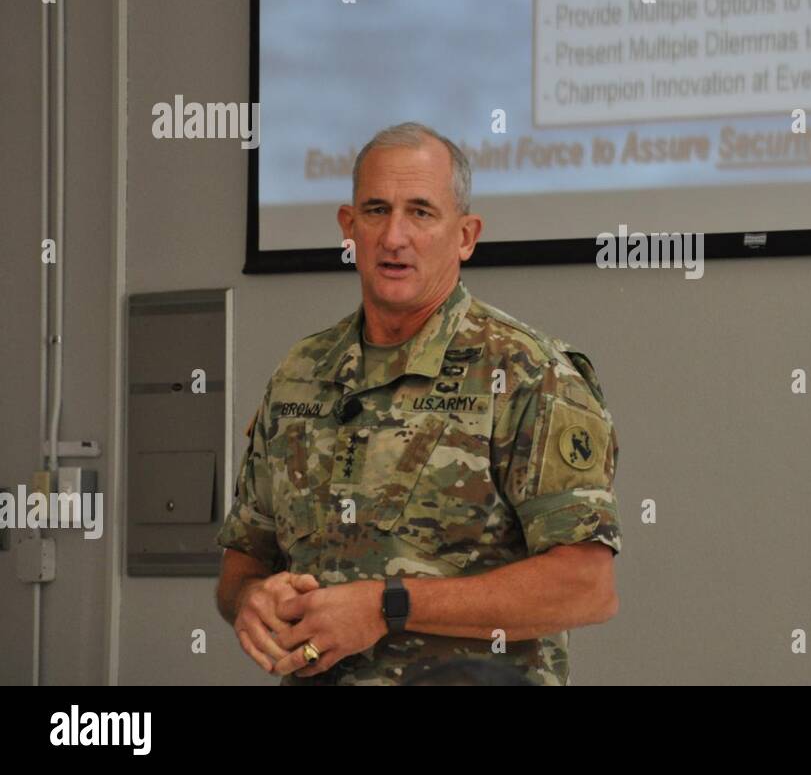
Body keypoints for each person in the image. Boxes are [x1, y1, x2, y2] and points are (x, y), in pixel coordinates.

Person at [214, 122, 621, 685]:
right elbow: (245, 558)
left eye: (421, 212)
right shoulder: (300, 374)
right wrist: (253, 599)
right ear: (347, 227)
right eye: (376, 211)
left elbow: (586, 588)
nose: (394, 236)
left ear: (466, 235)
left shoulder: (528, 372)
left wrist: (389, 606)